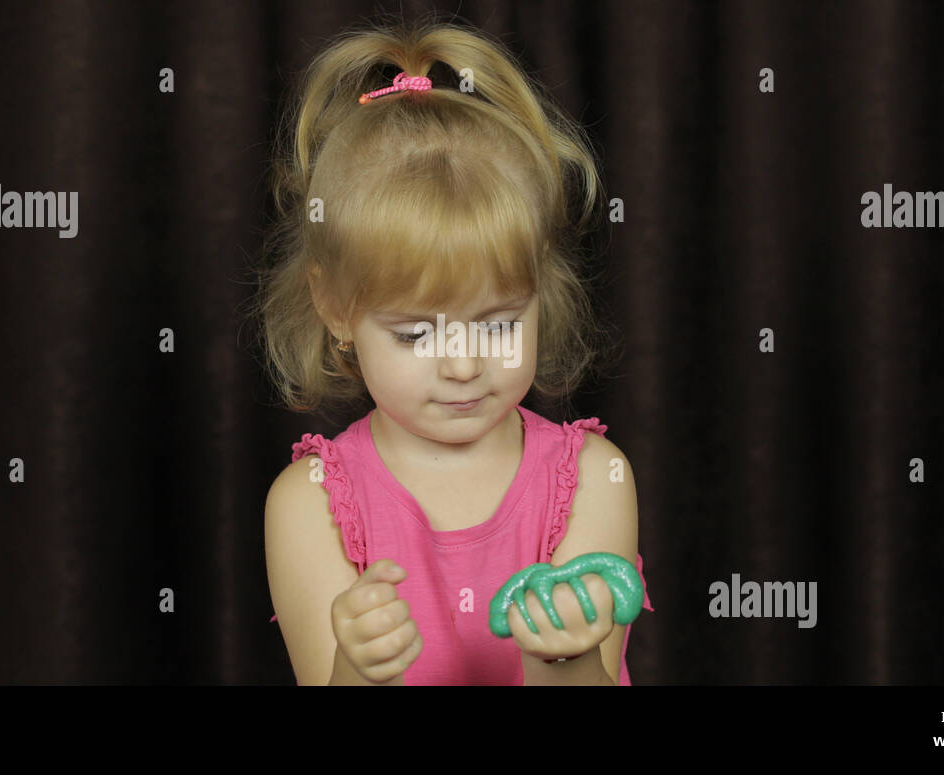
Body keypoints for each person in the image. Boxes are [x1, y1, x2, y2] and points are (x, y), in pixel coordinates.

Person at [253, 16, 653, 686]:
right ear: (335, 308)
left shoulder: (594, 480)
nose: (465, 364)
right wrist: (359, 666)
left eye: (498, 323)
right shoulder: (308, 503)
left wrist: (567, 654)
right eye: (417, 333)